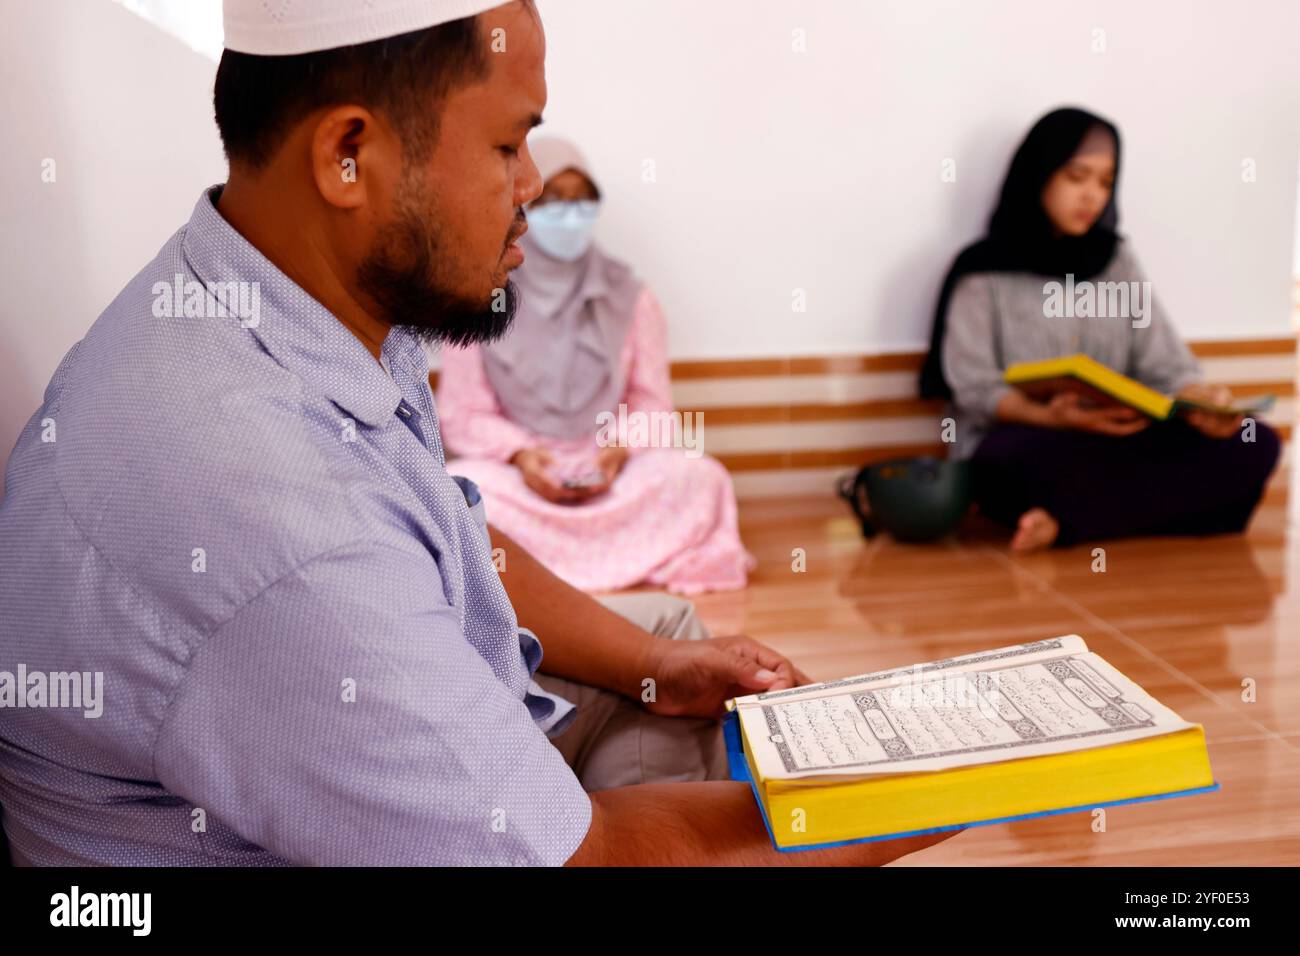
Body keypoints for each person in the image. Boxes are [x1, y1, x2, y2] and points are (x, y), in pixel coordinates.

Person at [0, 0, 954, 866]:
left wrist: (660, 666)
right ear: (347, 155)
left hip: (392, 723)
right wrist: (928, 778)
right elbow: (592, 867)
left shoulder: (266, 298)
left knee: (669, 639)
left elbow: (446, 530)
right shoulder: (274, 529)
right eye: (509, 145)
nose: (533, 186)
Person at [920, 107, 1280, 552]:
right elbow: (973, 388)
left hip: (1117, 439)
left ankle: (1066, 522)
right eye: (1077, 176)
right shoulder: (982, 269)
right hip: (1031, 439)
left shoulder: (1117, 261)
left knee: (1255, 441)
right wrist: (1048, 415)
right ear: (1040, 174)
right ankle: (1164, 514)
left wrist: (1201, 402)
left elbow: (1164, 364)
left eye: (1105, 182)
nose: (1092, 195)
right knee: (1021, 463)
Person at [436, 136, 752, 594]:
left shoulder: (630, 298)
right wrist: (524, 456)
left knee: (702, 477)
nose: (570, 214)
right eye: (554, 201)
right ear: (521, 206)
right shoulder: (478, 299)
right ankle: (571, 569)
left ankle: (548, 574)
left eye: (582, 200)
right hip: (519, 476)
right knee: (462, 490)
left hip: (612, 470)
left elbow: (652, 404)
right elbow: (462, 413)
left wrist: (616, 451)